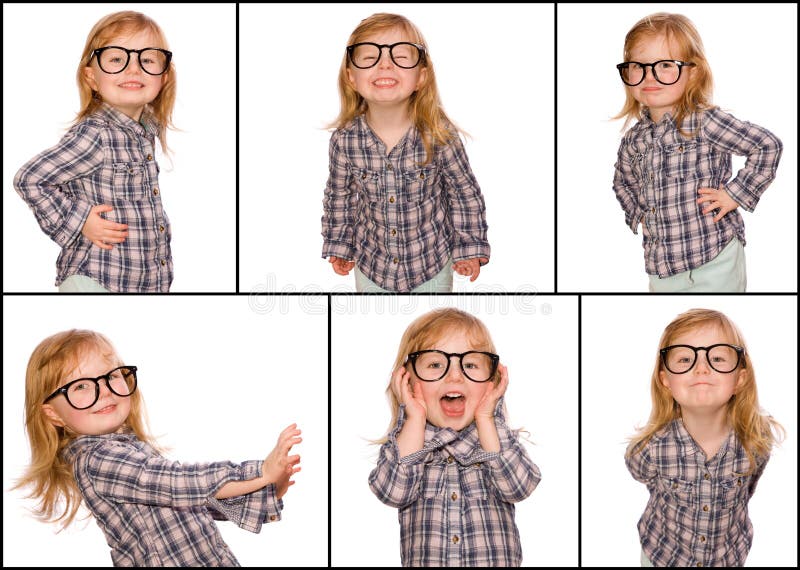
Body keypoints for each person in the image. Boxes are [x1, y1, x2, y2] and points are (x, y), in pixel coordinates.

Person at [12, 329, 302, 566]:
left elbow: (195, 502)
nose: (104, 391)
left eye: (111, 376)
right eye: (80, 386)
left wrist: (266, 489)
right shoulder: (97, 459)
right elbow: (178, 483)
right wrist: (259, 472)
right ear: (53, 414)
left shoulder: (129, 448)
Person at [611, 13, 783, 292]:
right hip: (662, 267)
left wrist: (734, 194)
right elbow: (623, 181)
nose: (649, 75)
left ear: (693, 72)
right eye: (638, 66)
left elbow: (766, 146)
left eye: (666, 65)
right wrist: (640, 214)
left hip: (715, 255)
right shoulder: (634, 139)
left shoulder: (704, 121)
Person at [321, 13, 491, 293]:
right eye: (369, 58)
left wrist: (469, 246)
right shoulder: (344, 141)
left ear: (420, 77)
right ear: (351, 77)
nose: (385, 64)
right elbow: (340, 196)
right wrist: (340, 243)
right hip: (372, 267)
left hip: (431, 266)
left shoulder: (440, 135)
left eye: (400, 57)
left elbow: (464, 193)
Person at [14, 11, 177, 292]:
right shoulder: (96, 134)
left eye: (148, 59)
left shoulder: (144, 132)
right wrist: (81, 221)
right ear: (91, 77)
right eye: (116, 59)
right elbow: (30, 179)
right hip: (95, 279)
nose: (133, 69)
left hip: (133, 283)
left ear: (163, 77)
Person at [368, 308, 540, 566]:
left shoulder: (495, 439)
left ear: (492, 381)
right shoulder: (409, 444)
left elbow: (519, 487)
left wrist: (486, 418)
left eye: (470, 365)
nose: (455, 376)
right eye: (435, 364)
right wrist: (414, 418)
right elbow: (392, 492)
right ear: (408, 380)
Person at [625, 308, 784, 567]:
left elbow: (748, 488)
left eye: (718, 358)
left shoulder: (756, 441)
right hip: (663, 556)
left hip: (728, 558)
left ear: (740, 379)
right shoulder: (650, 449)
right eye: (685, 359)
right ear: (665, 380)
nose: (701, 368)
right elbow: (642, 475)